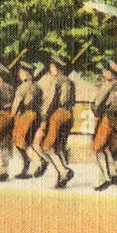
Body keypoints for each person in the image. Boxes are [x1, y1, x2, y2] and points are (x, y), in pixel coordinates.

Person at [91, 61, 117, 190]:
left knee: (98, 148)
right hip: (106, 119)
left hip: (110, 119)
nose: (104, 72)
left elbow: (115, 106)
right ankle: (114, 175)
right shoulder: (107, 85)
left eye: (107, 71)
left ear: (113, 74)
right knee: (110, 148)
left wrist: (102, 112)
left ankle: (105, 178)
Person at [41, 55, 77, 189]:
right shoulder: (70, 82)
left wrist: (44, 118)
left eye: (52, 67)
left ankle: (63, 171)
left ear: (56, 68)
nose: (51, 70)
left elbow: (51, 101)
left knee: (46, 147)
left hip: (57, 114)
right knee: (59, 146)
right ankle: (61, 178)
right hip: (69, 114)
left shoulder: (56, 81)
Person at [9, 62, 43, 178]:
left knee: (20, 142)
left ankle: (39, 161)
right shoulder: (37, 86)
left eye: (20, 72)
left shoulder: (22, 86)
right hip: (36, 115)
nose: (19, 74)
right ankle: (26, 168)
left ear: (24, 73)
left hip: (26, 116)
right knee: (25, 143)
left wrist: (11, 118)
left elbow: (16, 105)